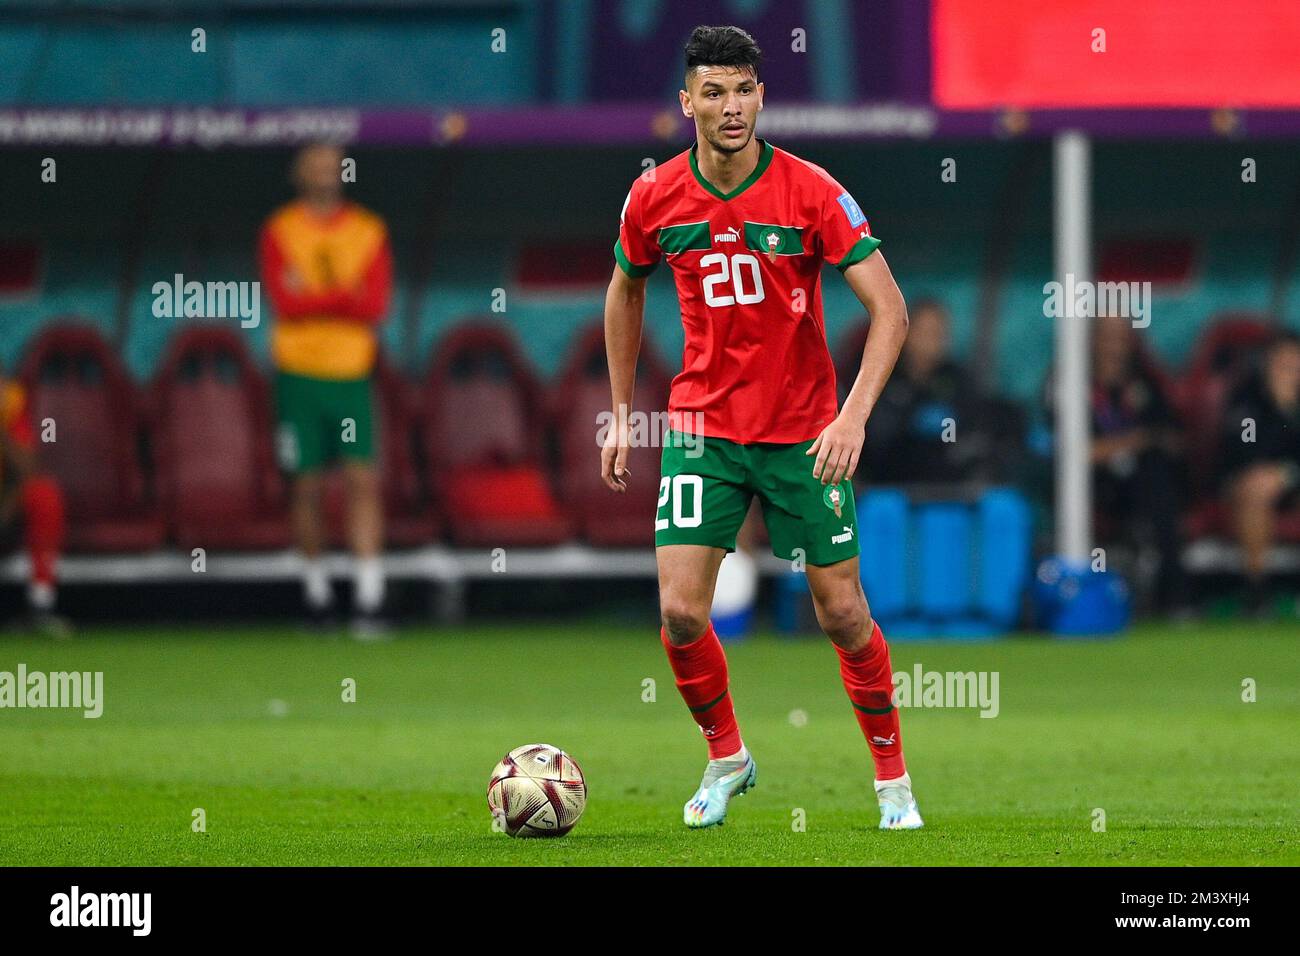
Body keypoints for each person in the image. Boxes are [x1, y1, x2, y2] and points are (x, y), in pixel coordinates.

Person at [601, 26, 918, 830]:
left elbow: (891, 309)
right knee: (678, 611)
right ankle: (727, 757)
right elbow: (625, 290)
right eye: (713, 91)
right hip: (702, 427)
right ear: (687, 103)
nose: (730, 106)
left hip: (803, 433)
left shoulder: (812, 191)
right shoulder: (654, 196)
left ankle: (893, 784)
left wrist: (851, 415)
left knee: (842, 614)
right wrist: (622, 412)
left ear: (761, 96)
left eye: (743, 89)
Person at [259, 142, 393, 637]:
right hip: (296, 374)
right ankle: (315, 597)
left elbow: (374, 305)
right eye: (313, 164)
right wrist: (342, 296)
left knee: (362, 480)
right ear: (298, 173)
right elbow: (283, 303)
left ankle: (369, 598)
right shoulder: (280, 230)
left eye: (330, 165)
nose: (323, 173)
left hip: (351, 372)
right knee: (306, 484)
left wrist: (313, 296)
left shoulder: (368, 231)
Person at [1071, 314, 1190, 615]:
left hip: (1144, 486)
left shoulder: (1145, 384)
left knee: (1156, 473)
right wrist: (1133, 441)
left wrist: (1146, 442)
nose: (1116, 345)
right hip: (1091, 487)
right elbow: (1073, 453)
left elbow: (1171, 439)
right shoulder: (1068, 382)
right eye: (1108, 336)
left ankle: (1173, 596)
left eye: (1122, 336)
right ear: (1092, 339)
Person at [864, 297, 1017, 486]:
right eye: (925, 332)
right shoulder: (883, 378)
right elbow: (874, 443)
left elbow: (976, 433)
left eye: (939, 333)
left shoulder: (960, 381)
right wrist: (908, 423)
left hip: (952, 490)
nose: (931, 342)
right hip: (895, 487)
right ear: (906, 333)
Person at [1218, 331, 1300, 614]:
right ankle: (1257, 591)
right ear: (1267, 362)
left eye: (1295, 362)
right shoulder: (1247, 398)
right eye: (1282, 362)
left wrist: (1290, 411)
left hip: (1292, 480)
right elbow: (1246, 450)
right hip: (1248, 481)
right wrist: (1279, 410)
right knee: (1257, 488)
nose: (1289, 369)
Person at [0, 370, 68, 636]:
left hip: (7, 499)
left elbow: (28, 469)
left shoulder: (12, 405)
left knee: (44, 494)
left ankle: (40, 607)